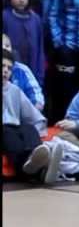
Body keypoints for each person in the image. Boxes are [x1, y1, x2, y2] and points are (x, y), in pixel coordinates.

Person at [3, 49, 61, 184]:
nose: (5, 70)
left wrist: (40, 132)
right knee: (7, 131)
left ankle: (36, 158)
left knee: (28, 127)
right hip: (4, 130)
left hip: (14, 127)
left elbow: (33, 115)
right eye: (2, 66)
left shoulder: (14, 90)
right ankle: (40, 168)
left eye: (9, 68)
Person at [3, 0, 45, 90]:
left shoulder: (35, 19)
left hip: (33, 72)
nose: (21, 0)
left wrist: (40, 75)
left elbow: (40, 48)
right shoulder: (5, 17)